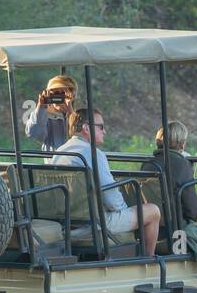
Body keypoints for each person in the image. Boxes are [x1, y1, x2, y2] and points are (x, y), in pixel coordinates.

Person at [50, 107, 161, 253]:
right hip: (96, 223)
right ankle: (149, 261)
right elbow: (112, 199)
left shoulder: (58, 153)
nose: (104, 131)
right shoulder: (94, 154)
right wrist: (124, 210)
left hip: (67, 222)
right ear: (86, 128)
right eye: (101, 127)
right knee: (153, 211)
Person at [141, 121, 197, 232]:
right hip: (177, 232)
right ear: (182, 144)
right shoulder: (182, 165)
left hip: (149, 230)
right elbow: (193, 211)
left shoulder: (147, 164)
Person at [25, 74, 77, 151]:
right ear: (48, 95)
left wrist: (71, 113)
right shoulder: (44, 115)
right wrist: (41, 107)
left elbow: (84, 136)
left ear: (72, 94)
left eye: (62, 93)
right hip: (54, 161)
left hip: (78, 160)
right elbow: (34, 134)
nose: (58, 97)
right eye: (55, 93)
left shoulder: (79, 114)